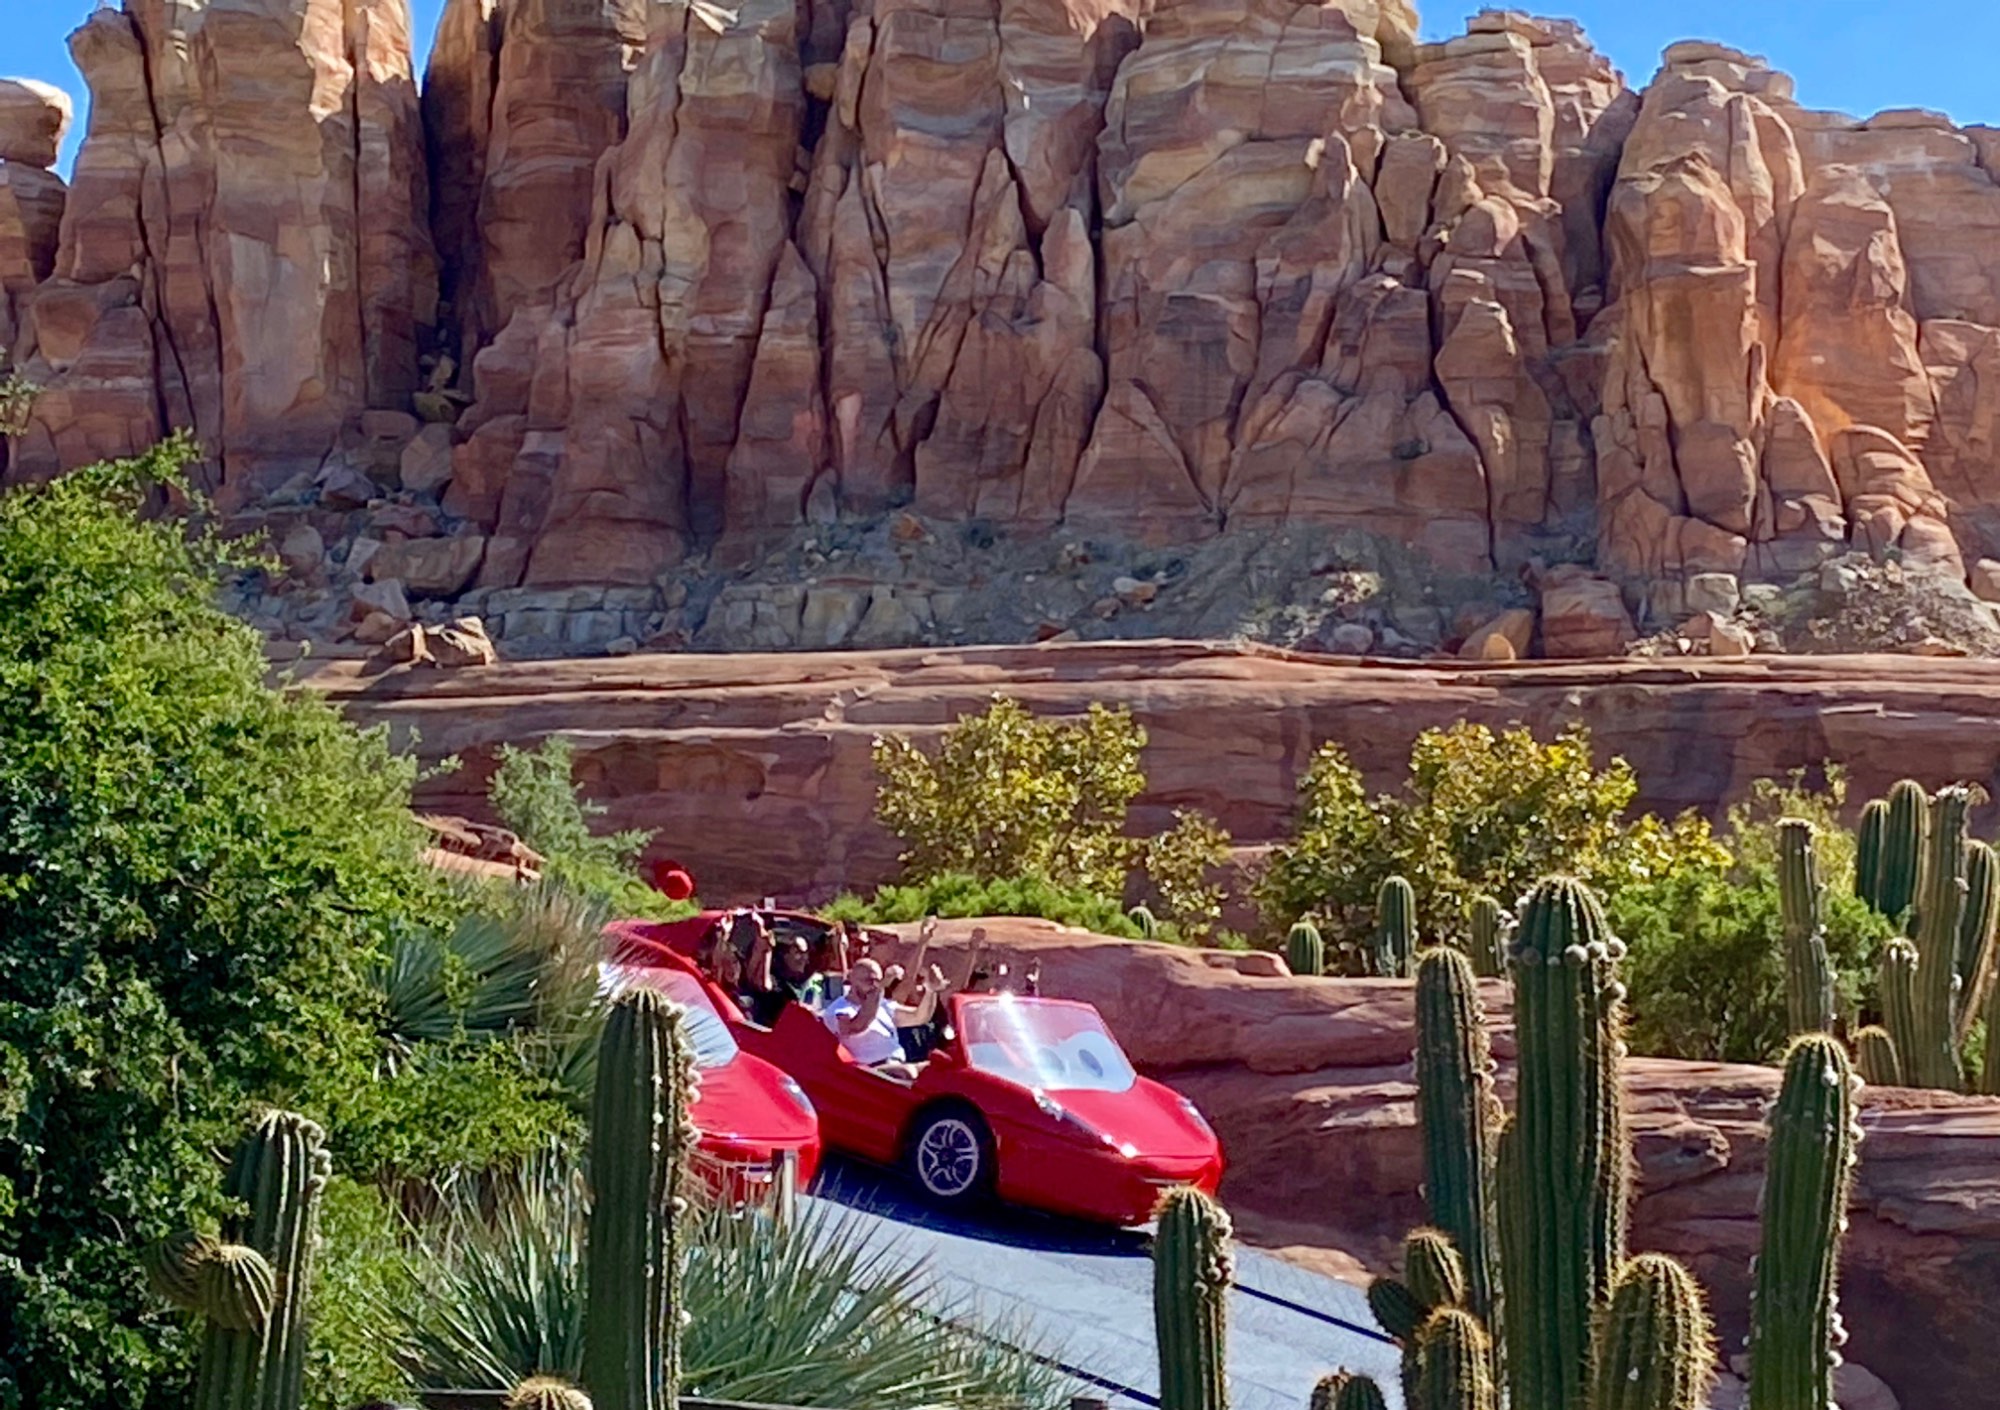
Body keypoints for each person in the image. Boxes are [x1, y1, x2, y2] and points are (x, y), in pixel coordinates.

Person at [823, 958, 939, 1079]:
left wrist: (931, 990)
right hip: (867, 1072)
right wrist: (880, 989)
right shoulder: (839, 1010)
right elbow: (859, 1025)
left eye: (877, 981)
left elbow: (919, 1017)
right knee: (907, 1072)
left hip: (897, 1064)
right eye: (868, 980)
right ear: (851, 978)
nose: (873, 985)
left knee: (935, 1071)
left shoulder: (882, 1004)